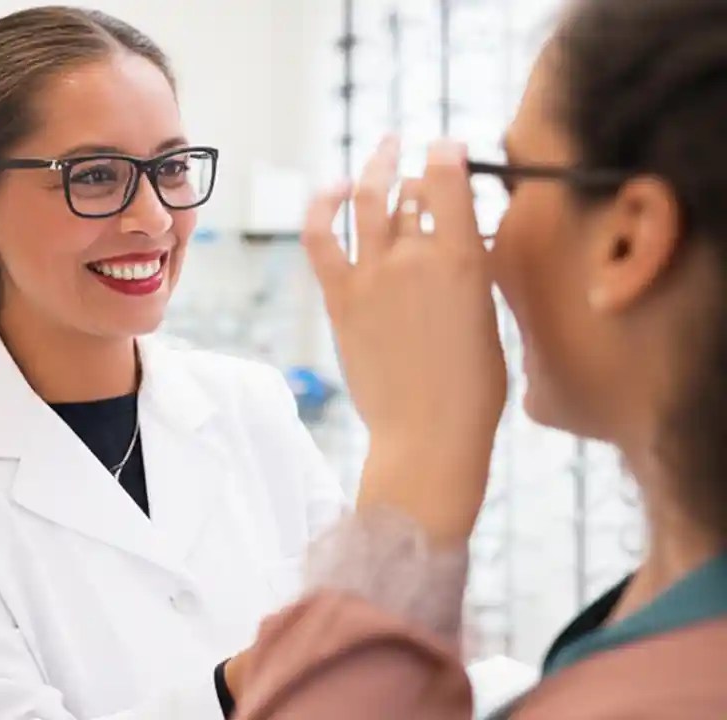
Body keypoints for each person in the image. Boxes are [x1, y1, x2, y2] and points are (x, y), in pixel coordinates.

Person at [0, 7, 346, 719]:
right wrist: (243, 686)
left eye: (170, 168)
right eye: (95, 176)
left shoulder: (252, 405)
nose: (154, 218)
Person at [230, 0, 727, 717]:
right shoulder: (655, 615)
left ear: (627, 239)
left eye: (513, 182)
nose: (484, 253)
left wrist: (421, 455)